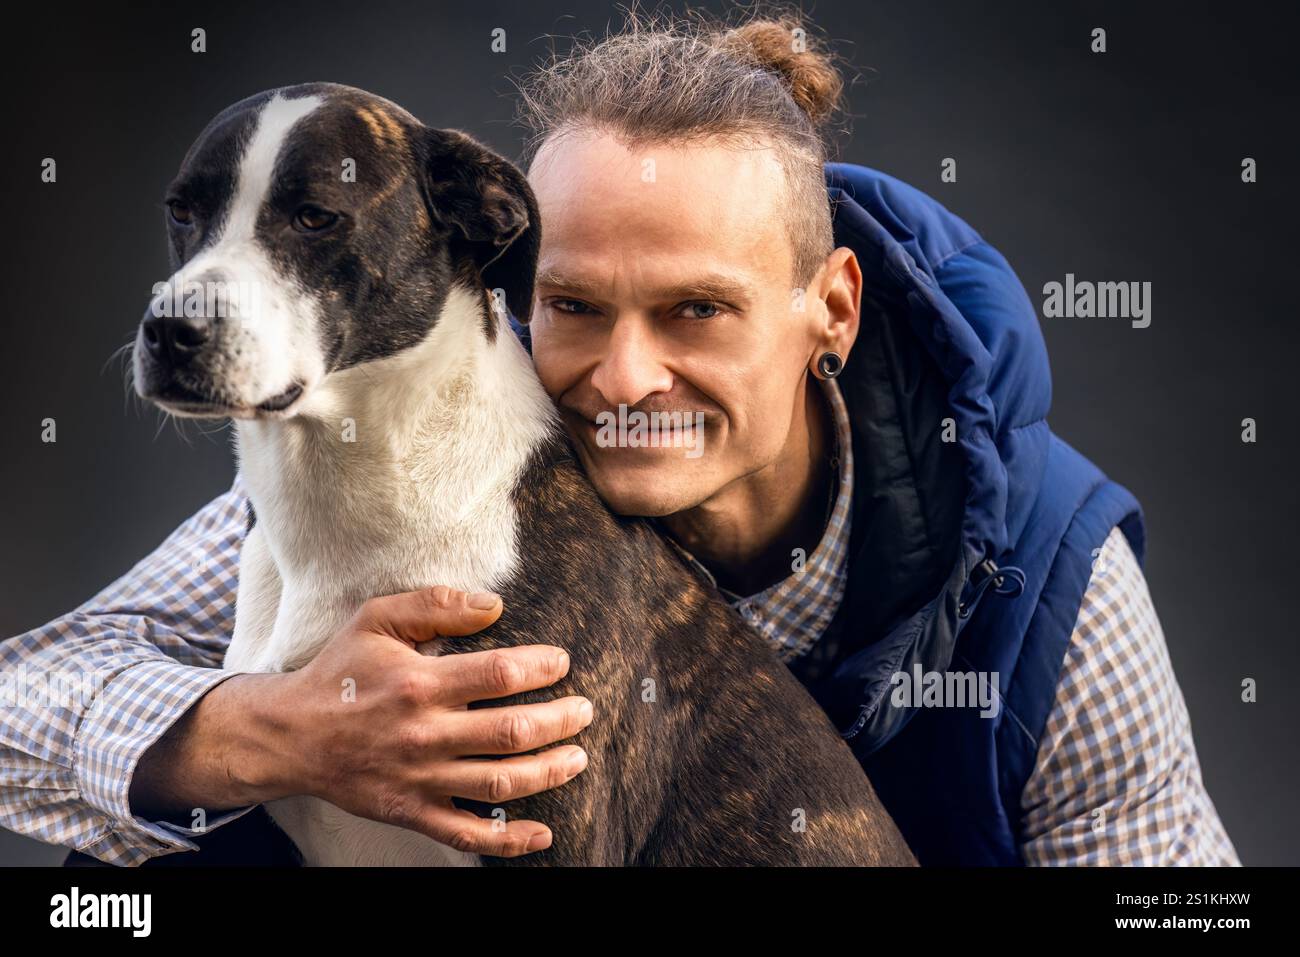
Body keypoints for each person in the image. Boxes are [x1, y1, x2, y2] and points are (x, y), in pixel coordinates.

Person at [0, 13, 1237, 866]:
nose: (623, 376)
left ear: (834, 312)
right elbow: (21, 709)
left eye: (696, 309)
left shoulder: (1043, 577)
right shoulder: (419, 475)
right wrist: (273, 730)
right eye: (574, 307)